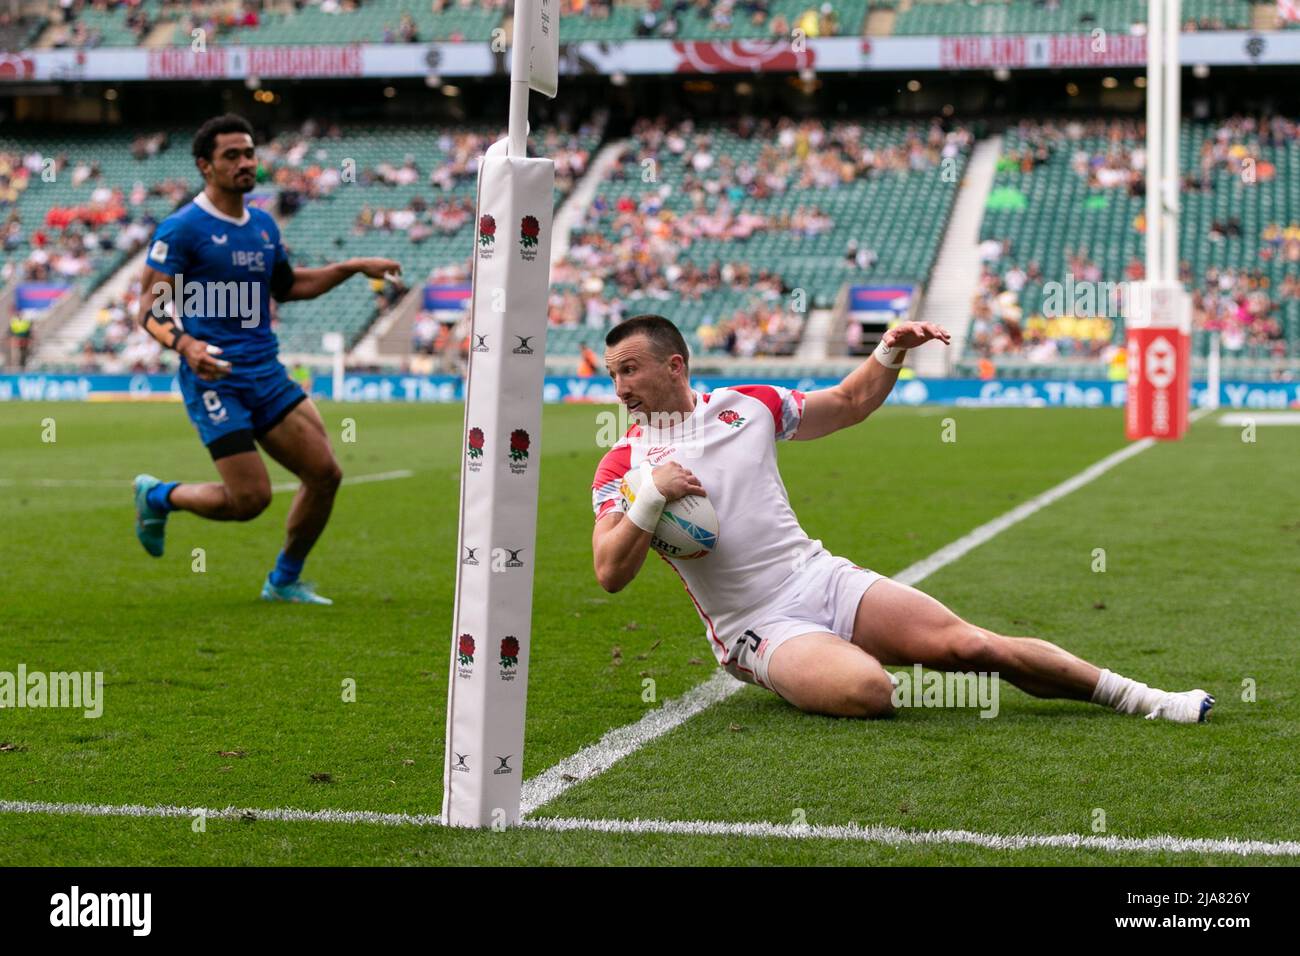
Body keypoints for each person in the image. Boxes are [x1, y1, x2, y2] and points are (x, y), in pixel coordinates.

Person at [589, 314, 1214, 723]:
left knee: (971, 645)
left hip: (818, 577)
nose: (619, 387)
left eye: (630, 369)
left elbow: (850, 402)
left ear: (674, 365)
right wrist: (652, 497)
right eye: (613, 373)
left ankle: (1146, 699)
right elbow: (609, 573)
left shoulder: (747, 405)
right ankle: (792, 663)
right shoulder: (622, 466)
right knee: (873, 692)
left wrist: (889, 348)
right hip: (754, 622)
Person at [131, 114, 401, 604]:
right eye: (231, 155)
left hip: (267, 373)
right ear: (205, 166)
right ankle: (158, 495)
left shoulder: (262, 226)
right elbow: (149, 308)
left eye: (249, 153)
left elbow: (290, 286)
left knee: (325, 475)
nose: (245, 163)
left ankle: (283, 580)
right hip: (216, 378)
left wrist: (351, 266)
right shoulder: (182, 228)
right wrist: (186, 345)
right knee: (249, 501)